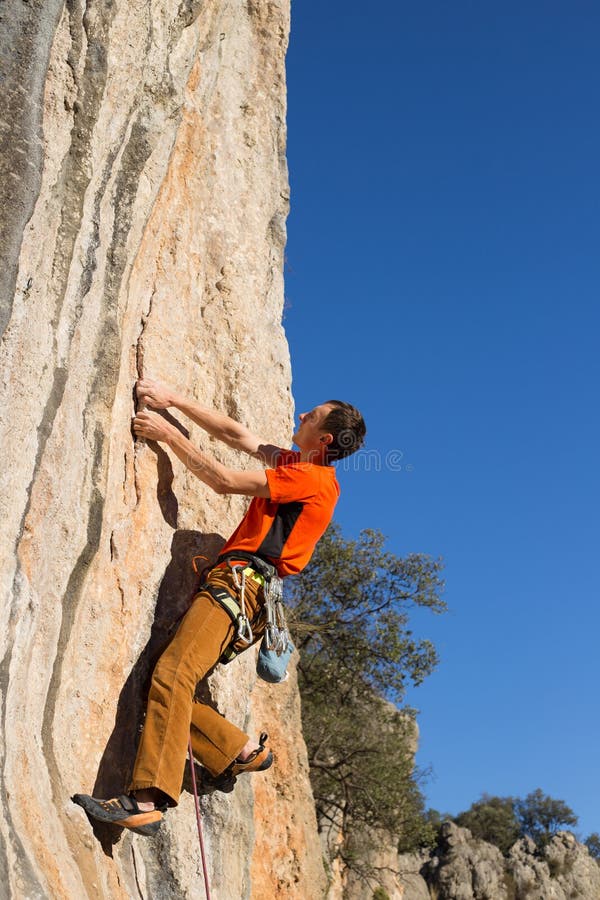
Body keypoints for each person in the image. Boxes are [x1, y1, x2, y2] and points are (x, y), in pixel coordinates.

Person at [73, 378, 366, 836]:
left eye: (313, 415)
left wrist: (168, 434)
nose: (302, 413)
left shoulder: (310, 478)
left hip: (240, 585)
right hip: (242, 591)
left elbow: (224, 481)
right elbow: (238, 436)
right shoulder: (298, 465)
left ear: (325, 439)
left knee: (173, 675)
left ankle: (146, 801)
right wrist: (177, 400)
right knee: (172, 682)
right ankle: (236, 750)